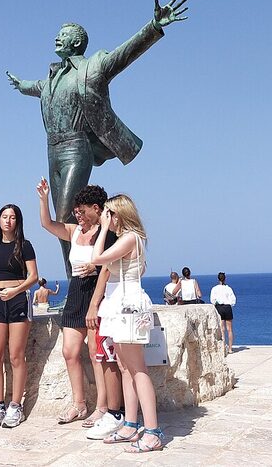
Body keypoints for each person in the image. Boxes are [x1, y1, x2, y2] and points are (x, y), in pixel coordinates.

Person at [7, 0, 189, 277]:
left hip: (76, 147)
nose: (57, 38)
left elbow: (124, 54)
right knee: (63, 220)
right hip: (52, 150)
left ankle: (88, 272)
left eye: (63, 35)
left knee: (66, 215)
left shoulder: (93, 66)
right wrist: (21, 85)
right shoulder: (52, 79)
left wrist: (153, 27)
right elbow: (35, 87)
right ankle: (77, 277)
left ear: (77, 42)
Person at [37, 178, 125, 438]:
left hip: (97, 293)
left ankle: (102, 407)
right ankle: (79, 404)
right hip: (76, 291)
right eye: (76, 211)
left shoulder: (108, 234)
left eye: (82, 211)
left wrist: (95, 273)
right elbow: (47, 224)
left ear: (96, 209)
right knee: (70, 351)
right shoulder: (74, 231)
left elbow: (108, 267)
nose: (78, 215)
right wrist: (43, 198)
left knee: (96, 352)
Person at [93, 194, 163, 453]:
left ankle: (153, 432)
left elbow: (96, 259)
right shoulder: (127, 239)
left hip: (127, 305)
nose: (105, 218)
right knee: (125, 368)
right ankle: (131, 424)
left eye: (108, 213)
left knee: (137, 369)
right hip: (118, 303)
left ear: (118, 214)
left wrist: (102, 229)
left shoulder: (130, 238)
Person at [0, 204, 39, 430]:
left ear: (18, 221)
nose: (8, 220)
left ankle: (16, 405)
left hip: (18, 299)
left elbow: (33, 276)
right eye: (4, 216)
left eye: (12, 217)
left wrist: (15, 291)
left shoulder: (25, 245)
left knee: (16, 355)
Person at [210, 272, 237, 354]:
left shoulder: (214, 289)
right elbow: (233, 300)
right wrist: (230, 305)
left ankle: (223, 348)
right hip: (227, 307)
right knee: (230, 329)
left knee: (222, 329)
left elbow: (212, 300)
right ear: (225, 279)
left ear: (218, 279)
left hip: (219, 308)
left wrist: (217, 303)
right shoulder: (228, 288)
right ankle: (230, 348)